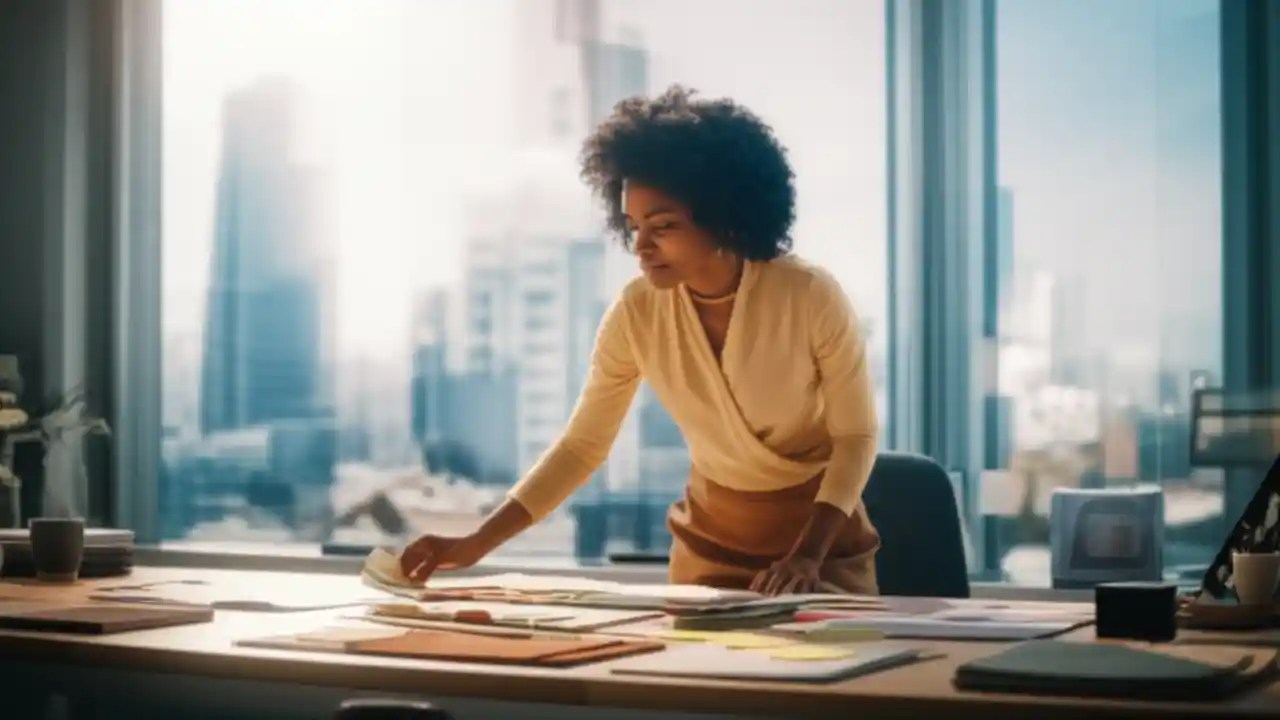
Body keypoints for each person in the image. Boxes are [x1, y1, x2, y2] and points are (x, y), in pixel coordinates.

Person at [401, 86, 880, 596]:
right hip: (709, 554)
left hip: (819, 555)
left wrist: (807, 556)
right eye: (632, 226)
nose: (640, 245)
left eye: (664, 225)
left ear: (726, 217)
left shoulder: (809, 296)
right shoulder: (636, 313)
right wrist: (475, 544)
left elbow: (856, 438)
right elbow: (582, 447)